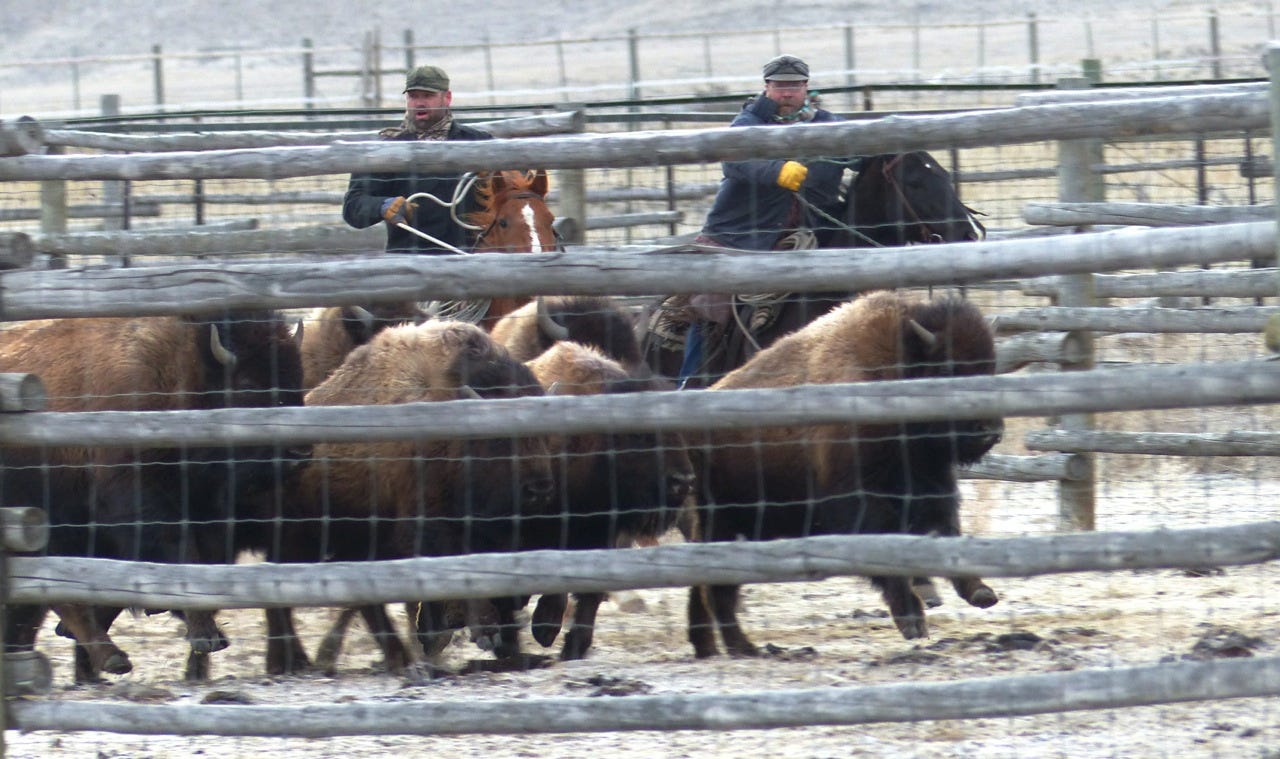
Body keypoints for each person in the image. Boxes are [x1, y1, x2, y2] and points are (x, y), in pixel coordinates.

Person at [678, 54, 847, 387]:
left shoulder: (828, 124)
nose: (787, 94)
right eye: (780, 87)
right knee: (710, 307)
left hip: (807, 233)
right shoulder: (748, 122)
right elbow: (734, 161)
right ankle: (689, 383)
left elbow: (855, 150)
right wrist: (777, 172)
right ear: (767, 88)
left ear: (806, 88)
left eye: (794, 87)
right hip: (737, 237)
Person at [342, 65, 493, 254]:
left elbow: (515, 192)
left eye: (427, 96)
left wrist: (492, 182)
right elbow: (353, 207)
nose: (419, 103)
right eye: (413, 96)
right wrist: (382, 206)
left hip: (473, 259)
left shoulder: (479, 143)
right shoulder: (386, 149)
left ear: (447, 98)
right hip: (410, 265)